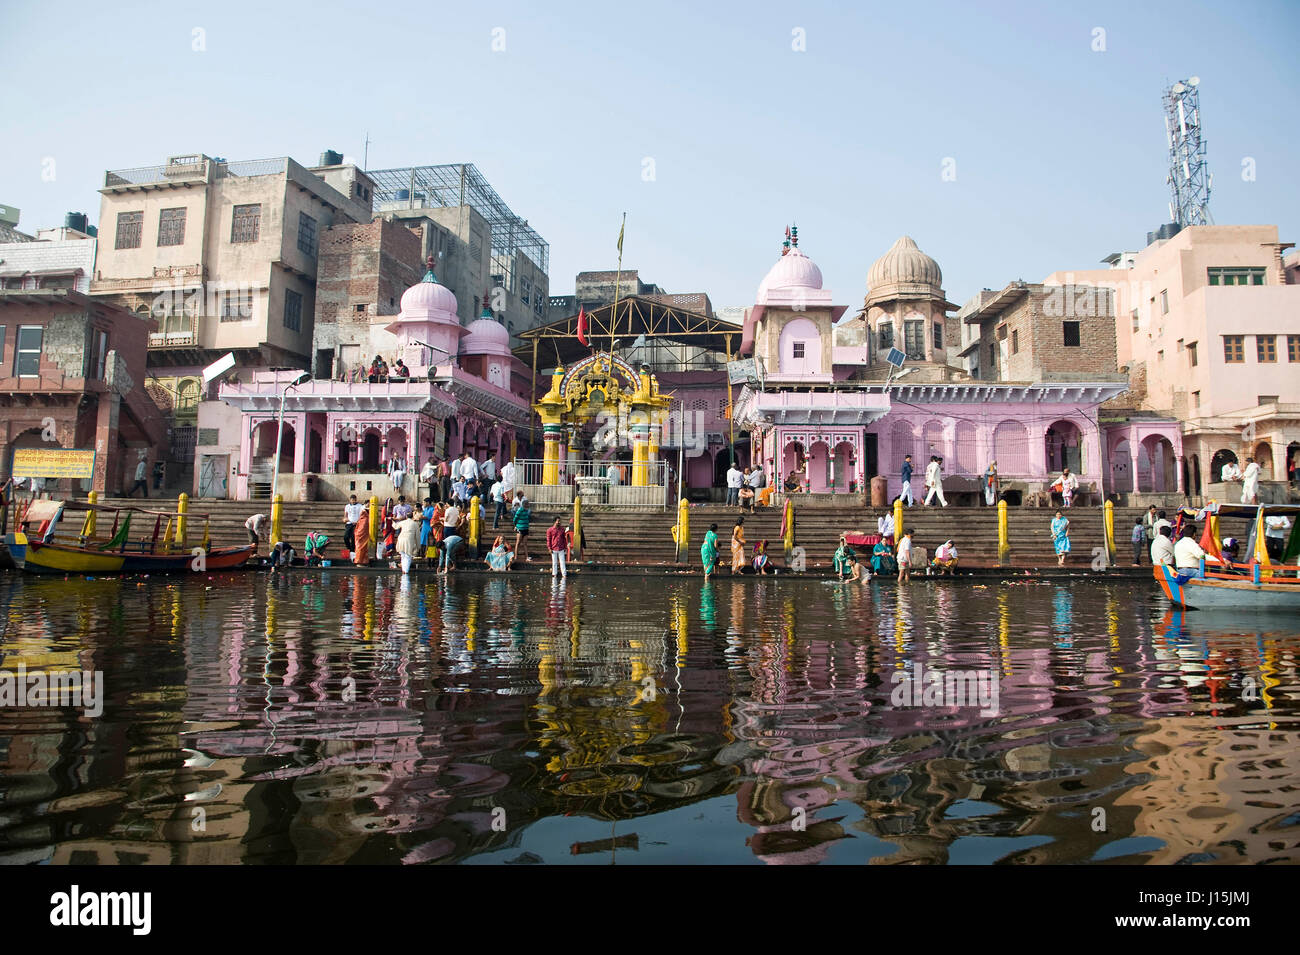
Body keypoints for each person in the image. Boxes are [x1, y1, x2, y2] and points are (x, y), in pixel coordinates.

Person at [513, 496, 532, 562]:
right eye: (527, 504)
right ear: (525, 505)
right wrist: (515, 526)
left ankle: (527, 557)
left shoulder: (527, 511)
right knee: (518, 543)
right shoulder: (520, 510)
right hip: (520, 528)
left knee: (525, 543)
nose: (528, 505)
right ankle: (516, 556)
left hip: (526, 528)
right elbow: (515, 519)